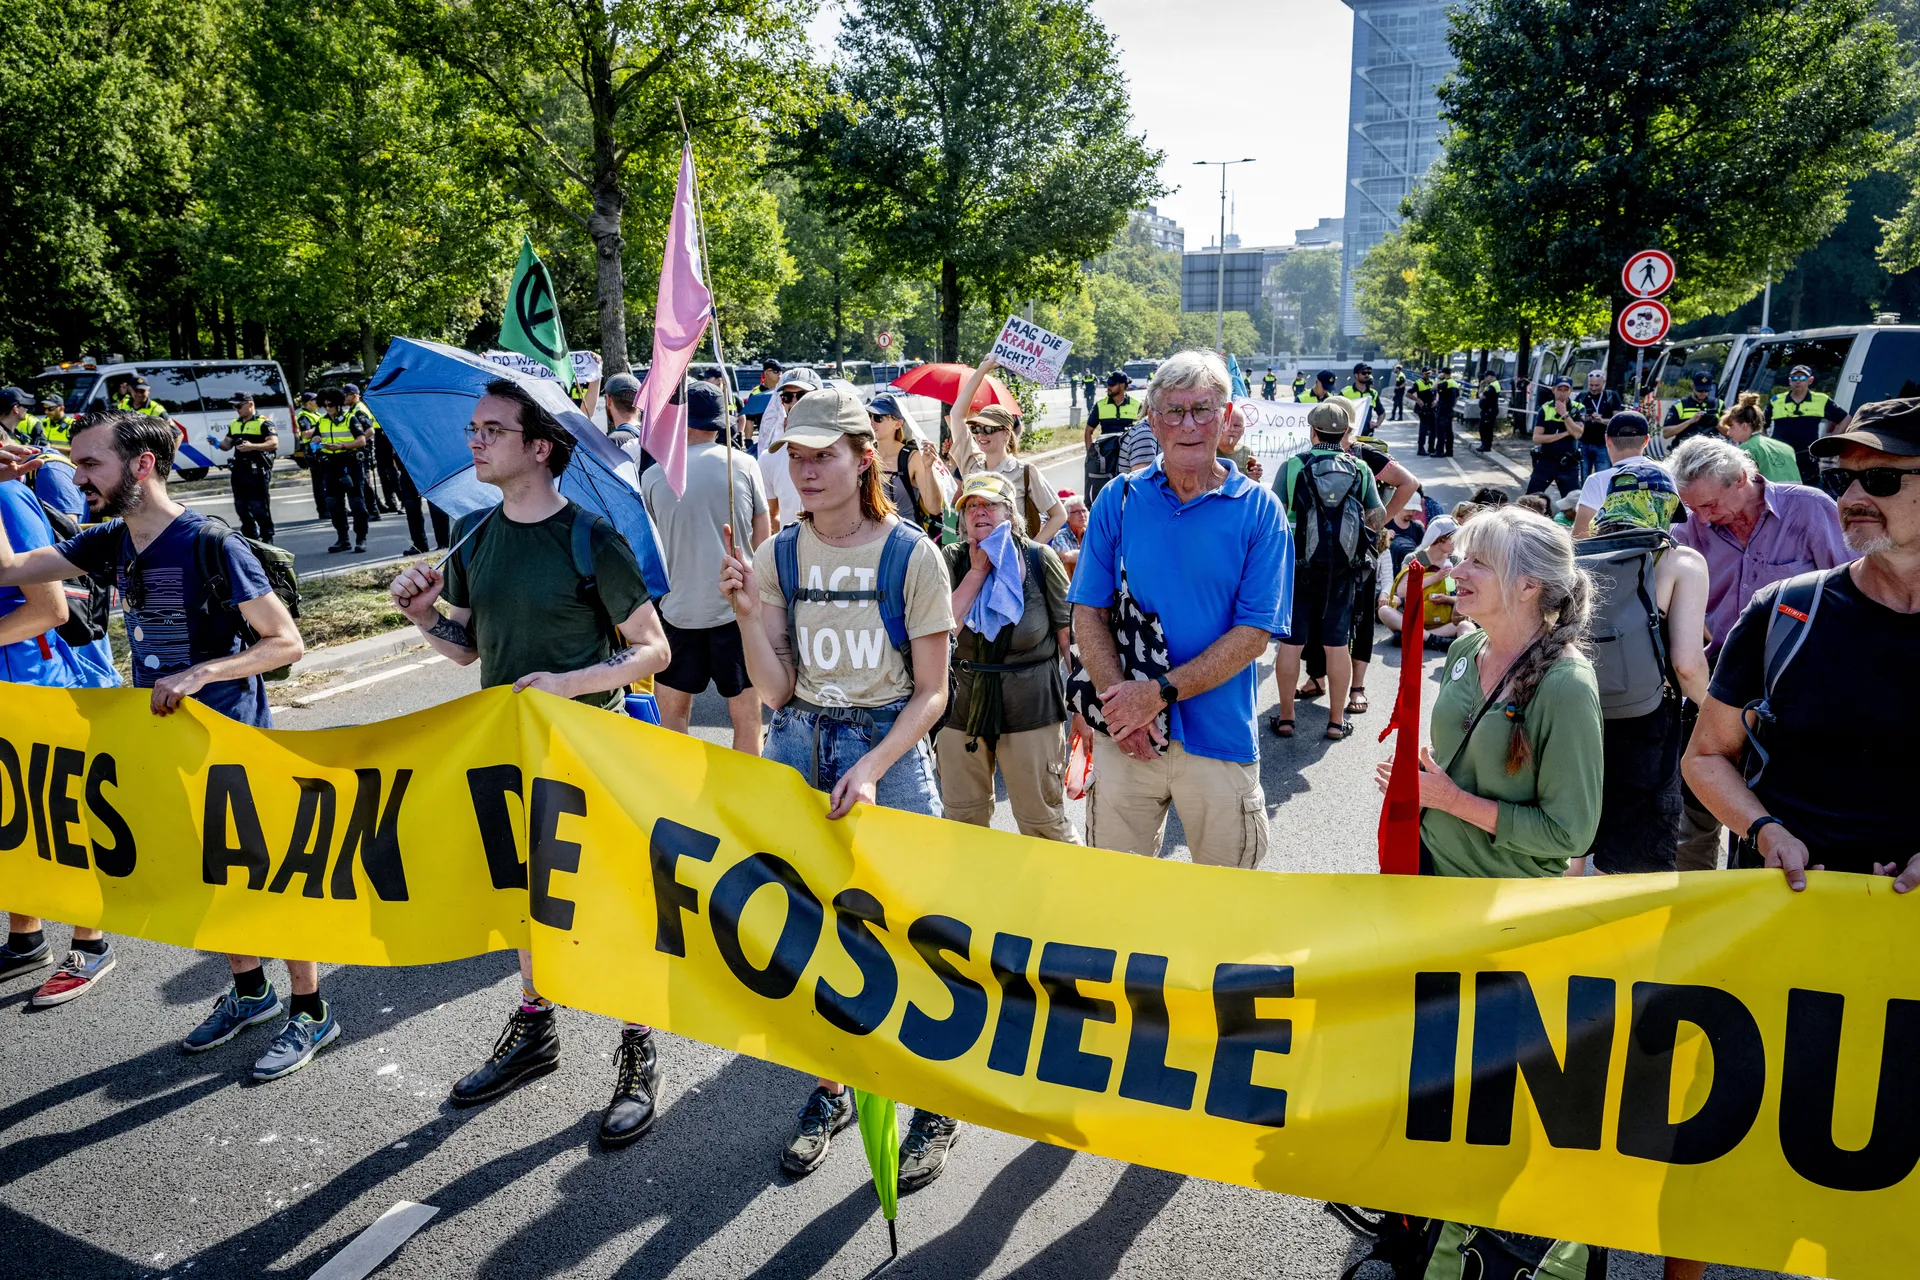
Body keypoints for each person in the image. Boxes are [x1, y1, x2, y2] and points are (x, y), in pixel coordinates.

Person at [389, 379, 672, 1148]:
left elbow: (654, 649)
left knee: (612, 909)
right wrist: (422, 616)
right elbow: (466, 651)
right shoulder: (475, 538)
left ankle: (639, 1049)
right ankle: (536, 1027)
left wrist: (569, 683)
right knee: (522, 900)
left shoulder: (590, 540)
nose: (475, 441)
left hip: (589, 753)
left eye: (492, 430)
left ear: (540, 447)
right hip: (506, 754)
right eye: (474, 430)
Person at [0, 412, 326, 1077]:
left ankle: (312, 1009)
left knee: (266, 882)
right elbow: (11, 568)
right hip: (166, 742)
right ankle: (249, 992)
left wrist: (204, 671)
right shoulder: (110, 541)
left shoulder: (209, 543)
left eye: (90, 464)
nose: (77, 476)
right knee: (208, 876)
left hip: (232, 741)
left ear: (140, 466)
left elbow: (285, 641)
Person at [718, 384, 960, 1190]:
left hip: (885, 750)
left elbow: (933, 694)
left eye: (824, 455)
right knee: (814, 933)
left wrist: (875, 765)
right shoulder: (780, 554)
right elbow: (775, 692)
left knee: (904, 935)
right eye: (796, 455)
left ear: (866, 458)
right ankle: (832, 1091)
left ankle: (931, 1101)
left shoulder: (911, 554)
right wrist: (749, 613)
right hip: (799, 742)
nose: (807, 471)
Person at [1682, 399, 1920, 894]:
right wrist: (1766, 833)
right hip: (1785, 917)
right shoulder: (1785, 611)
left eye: (1881, 479)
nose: (1852, 497)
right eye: (1842, 479)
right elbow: (1705, 757)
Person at [1068, 349, 1292, 865]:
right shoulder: (1119, 498)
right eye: (1173, 410)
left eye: (1202, 409)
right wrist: (1124, 711)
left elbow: (1254, 633)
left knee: (1223, 907)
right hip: (1127, 738)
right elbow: (1089, 613)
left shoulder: (1260, 510)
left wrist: (1159, 694)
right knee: (1116, 900)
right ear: (1153, 420)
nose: (1188, 424)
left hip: (1218, 741)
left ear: (1226, 416)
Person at [1374, 506, 1603, 879]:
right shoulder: (1464, 650)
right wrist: (1420, 770)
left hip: (1498, 902)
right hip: (1423, 863)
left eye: (1479, 562)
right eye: (1463, 558)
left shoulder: (1568, 686)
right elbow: (1458, 754)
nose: (1456, 571)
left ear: (1528, 585)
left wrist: (1451, 800)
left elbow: (1569, 833)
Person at [1668, 434, 1853, 870]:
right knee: (1698, 806)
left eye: (1710, 505)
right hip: (1716, 683)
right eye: (1692, 508)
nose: (1703, 517)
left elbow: (1850, 584)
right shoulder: (1693, 525)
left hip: (1797, 685)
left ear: (1743, 479)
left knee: (1775, 803)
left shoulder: (1808, 509)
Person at [0, 443, 122, 1006]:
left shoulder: (5, 498)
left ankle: (90, 945)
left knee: (55, 820)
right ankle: (25, 937)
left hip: (35, 685)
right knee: (9, 818)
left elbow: (48, 609)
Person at [939, 471, 1077, 841]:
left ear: (1010, 514)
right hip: (961, 709)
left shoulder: (1037, 558)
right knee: (962, 825)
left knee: (1042, 822)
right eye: (970, 506)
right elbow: (941, 630)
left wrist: (1081, 709)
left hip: (1032, 706)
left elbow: (1069, 637)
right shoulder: (949, 560)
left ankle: (1061, 896)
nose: (978, 512)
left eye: (989, 504)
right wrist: (978, 572)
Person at [640, 380, 770, 755]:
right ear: (720, 423)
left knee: (673, 716)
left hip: (676, 610)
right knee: (746, 716)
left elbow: (648, 551)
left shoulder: (652, 476)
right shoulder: (743, 464)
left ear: (681, 422)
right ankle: (745, 798)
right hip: (736, 610)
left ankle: (678, 799)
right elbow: (763, 539)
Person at [1271, 399, 1386, 740]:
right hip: (1342, 573)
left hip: (1299, 569)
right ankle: (1336, 722)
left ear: (1312, 430)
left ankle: (1287, 718)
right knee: (1337, 646)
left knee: (1290, 645)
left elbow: (1276, 514)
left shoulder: (1293, 466)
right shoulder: (1360, 469)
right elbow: (1376, 516)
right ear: (1346, 433)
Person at [1299, 409, 1417, 717]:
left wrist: (1374, 527)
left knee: (1360, 619)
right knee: (1318, 618)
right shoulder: (1313, 460)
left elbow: (1409, 483)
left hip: (1359, 554)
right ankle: (1317, 677)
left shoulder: (1366, 458)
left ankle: (1357, 687)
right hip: (1322, 556)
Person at [951, 358, 1067, 544]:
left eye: (988, 429)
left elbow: (1059, 515)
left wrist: (1032, 550)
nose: (981, 434)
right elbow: (957, 414)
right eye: (976, 429)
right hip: (974, 557)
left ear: (1006, 433)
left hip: (1011, 562)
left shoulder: (1024, 471)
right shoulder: (971, 464)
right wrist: (982, 370)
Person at [1570, 410, 1679, 538]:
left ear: (1607, 440)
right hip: (1658, 554)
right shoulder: (1666, 476)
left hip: (1611, 555)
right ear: (1646, 440)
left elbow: (1580, 536)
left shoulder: (1596, 480)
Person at [1378, 514, 1468, 648]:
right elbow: (1402, 592)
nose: (1457, 543)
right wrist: (1435, 578)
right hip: (1415, 618)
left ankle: (1418, 637)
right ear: (1440, 539)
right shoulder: (1414, 558)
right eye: (1453, 539)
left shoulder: (1455, 560)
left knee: (1465, 624)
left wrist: (1446, 599)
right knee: (1384, 611)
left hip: (1445, 619)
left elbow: (1463, 594)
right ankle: (1432, 639)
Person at [869, 391, 946, 537]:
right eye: (869, 416)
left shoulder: (912, 458)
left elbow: (934, 508)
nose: (872, 422)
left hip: (907, 541)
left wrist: (929, 469)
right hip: (871, 539)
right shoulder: (865, 456)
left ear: (898, 424)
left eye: (878, 417)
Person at [1762, 365, 1848, 485]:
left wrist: (1829, 441)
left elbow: (1846, 418)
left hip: (1807, 457)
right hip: (1780, 457)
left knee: (1807, 490)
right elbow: (1761, 424)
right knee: (1778, 489)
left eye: (1802, 378)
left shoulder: (1821, 400)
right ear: (1789, 380)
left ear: (1810, 380)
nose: (1798, 381)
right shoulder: (1776, 400)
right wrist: (1767, 444)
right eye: (1794, 378)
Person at [757, 366, 819, 527]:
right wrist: (793, 537)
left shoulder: (842, 450)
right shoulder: (769, 457)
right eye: (787, 397)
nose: (794, 403)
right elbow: (770, 515)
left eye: (802, 395)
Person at [312, 388, 370, 553]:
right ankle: (343, 539)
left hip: (350, 462)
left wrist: (342, 445)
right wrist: (316, 440)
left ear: (337, 404)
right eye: (325, 405)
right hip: (330, 463)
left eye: (331, 404)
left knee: (357, 503)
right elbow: (316, 438)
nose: (328, 408)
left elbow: (361, 440)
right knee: (333, 503)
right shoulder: (322, 421)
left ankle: (361, 538)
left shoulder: (350, 419)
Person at [219, 391, 278, 542]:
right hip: (239, 469)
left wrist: (252, 446)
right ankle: (251, 536)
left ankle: (267, 536)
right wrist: (218, 443)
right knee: (241, 506)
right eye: (234, 407)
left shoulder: (264, 422)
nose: (236, 410)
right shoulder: (235, 423)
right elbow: (227, 444)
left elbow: (273, 443)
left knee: (259, 506)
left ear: (250, 404)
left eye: (238, 406)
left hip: (256, 470)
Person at [1084, 370, 1140, 503]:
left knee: (1131, 488)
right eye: (1107, 384)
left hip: (1129, 454)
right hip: (1106, 455)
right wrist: (1091, 453)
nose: (1108, 387)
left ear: (1121, 386)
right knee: (1106, 490)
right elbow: (1088, 431)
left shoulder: (1137, 405)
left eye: (1111, 384)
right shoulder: (1100, 405)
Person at [1719, 391, 1800, 484]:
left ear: (1744, 426)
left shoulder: (1746, 449)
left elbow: (1742, 484)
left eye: (1731, 426)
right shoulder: (1787, 447)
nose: (1728, 432)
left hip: (1771, 496)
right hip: (1797, 495)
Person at [1526, 377, 1584, 500]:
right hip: (1546, 461)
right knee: (1530, 499)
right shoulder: (1545, 408)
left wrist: (1564, 414)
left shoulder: (1578, 408)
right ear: (1553, 390)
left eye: (1565, 390)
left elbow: (1578, 434)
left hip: (1568, 463)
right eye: (1559, 389)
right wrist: (1564, 434)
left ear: (1570, 391)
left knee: (1573, 503)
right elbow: (1537, 438)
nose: (1562, 393)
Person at [1574, 369, 1621, 480]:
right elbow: (1574, 418)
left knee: (1603, 477)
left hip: (1603, 444)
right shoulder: (1582, 397)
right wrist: (1583, 418)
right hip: (1584, 442)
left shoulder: (1612, 396)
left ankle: (1601, 497)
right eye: (1591, 385)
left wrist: (1602, 420)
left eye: (1597, 385)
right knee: (1583, 478)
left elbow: (1617, 420)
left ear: (1604, 382)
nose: (1594, 388)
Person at [1662, 373, 1722, 446]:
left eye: (1706, 391)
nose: (1703, 393)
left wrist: (1716, 423)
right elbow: (1666, 434)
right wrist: (1690, 421)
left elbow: (1730, 433)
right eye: (1699, 390)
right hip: (1684, 450)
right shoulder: (1680, 405)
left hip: (1710, 451)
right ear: (1692, 386)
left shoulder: (1718, 404)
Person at [294, 390, 328, 512]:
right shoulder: (304, 416)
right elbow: (306, 433)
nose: (318, 403)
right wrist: (322, 428)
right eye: (315, 400)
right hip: (313, 451)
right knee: (320, 481)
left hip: (322, 448)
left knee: (327, 480)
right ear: (308, 403)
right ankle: (324, 509)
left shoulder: (317, 414)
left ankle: (333, 507)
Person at [1217, 403, 1262, 480]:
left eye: (1237, 426)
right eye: (1227, 424)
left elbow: (1252, 487)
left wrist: (1254, 478)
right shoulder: (1210, 451)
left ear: (1243, 431)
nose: (1231, 429)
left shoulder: (1247, 453)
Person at [1050, 490, 1088, 573]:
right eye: (1077, 512)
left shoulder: (1092, 533)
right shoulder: (1061, 535)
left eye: (1084, 511)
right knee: (1070, 564)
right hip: (1070, 581)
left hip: (1090, 577)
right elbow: (1066, 557)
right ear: (1068, 517)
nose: (1082, 515)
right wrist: (1092, 555)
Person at [1340, 363, 1381, 434]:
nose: (1367, 375)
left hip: (1366, 435)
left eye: (1369, 373)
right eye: (1364, 373)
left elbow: (1382, 413)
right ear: (1356, 375)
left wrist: (1377, 424)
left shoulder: (1373, 393)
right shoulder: (1345, 392)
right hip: (1348, 435)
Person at [1433, 369, 1461, 456]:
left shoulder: (1446, 383)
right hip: (1450, 409)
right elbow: (1457, 398)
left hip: (1443, 410)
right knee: (1449, 431)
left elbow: (1434, 387)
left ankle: (1439, 451)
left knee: (1441, 430)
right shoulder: (1455, 383)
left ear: (1444, 374)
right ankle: (1449, 451)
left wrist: (1438, 378)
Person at [1414, 369, 1438, 454]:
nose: (1428, 375)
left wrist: (1436, 400)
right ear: (1422, 374)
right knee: (1423, 429)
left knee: (1434, 429)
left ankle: (1431, 448)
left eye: (1429, 373)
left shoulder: (1432, 381)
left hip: (1432, 408)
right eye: (1426, 374)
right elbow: (1408, 394)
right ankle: (1421, 448)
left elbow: (1436, 392)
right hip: (1423, 409)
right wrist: (1418, 400)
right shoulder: (1418, 382)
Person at [1476, 375, 1501, 452]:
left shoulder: (1493, 386)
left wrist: (1481, 386)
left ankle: (1486, 446)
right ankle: (1484, 444)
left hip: (1489, 411)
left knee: (1486, 429)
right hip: (1487, 410)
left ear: (1490, 376)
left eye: (1486, 377)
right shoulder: (1491, 385)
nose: (1484, 379)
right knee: (1483, 428)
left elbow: (1481, 396)